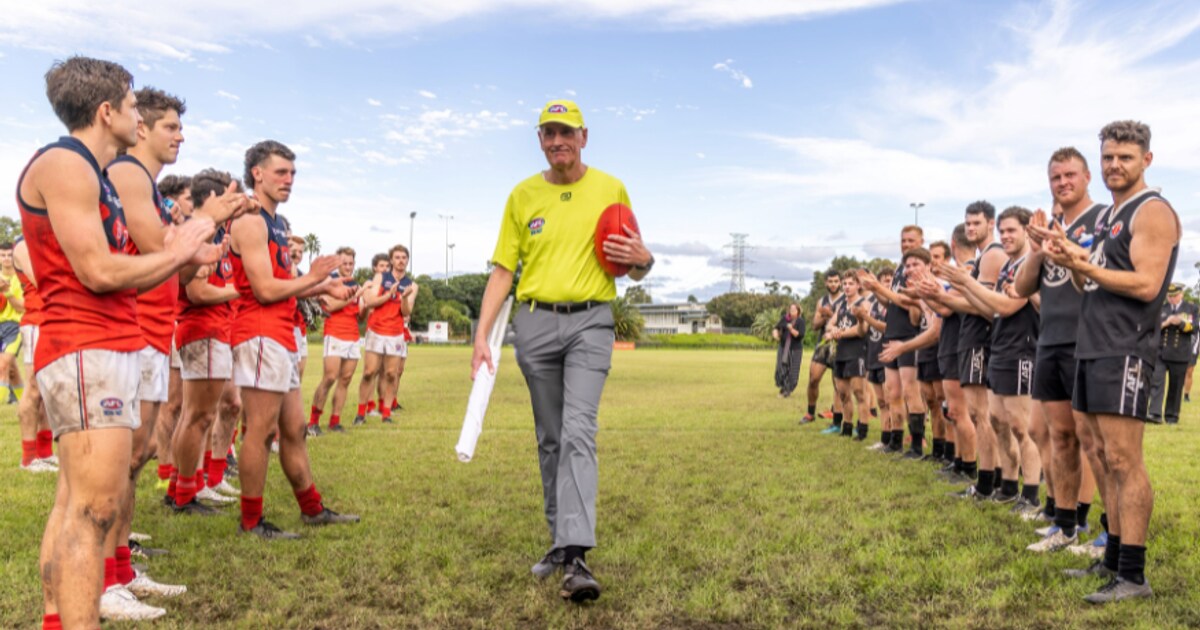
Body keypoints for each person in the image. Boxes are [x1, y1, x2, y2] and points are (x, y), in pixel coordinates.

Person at [22, 56, 221, 629]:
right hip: (84, 345)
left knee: (76, 506)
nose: (139, 118)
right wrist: (179, 251)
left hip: (102, 344)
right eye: (134, 106)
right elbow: (98, 271)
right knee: (94, 508)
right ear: (106, 111)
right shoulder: (64, 162)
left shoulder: (89, 168)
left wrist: (181, 250)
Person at [472, 99, 654, 603]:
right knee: (551, 437)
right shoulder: (522, 195)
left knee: (578, 430)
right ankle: (560, 539)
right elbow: (503, 272)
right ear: (539, 140)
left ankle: (576, 555)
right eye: (548, 134)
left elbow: (631, 262)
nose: (558, 142)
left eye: (566, 133)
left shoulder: (611, 189)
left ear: (584, 136)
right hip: (534, 323)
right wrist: (481, 339)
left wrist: (646, 259)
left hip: (592, 321)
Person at [1043, 120, 1179, 603]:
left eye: (1124, 156)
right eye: (1108, 157)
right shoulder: (1108, 218)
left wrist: (1086, 264)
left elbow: (1145, 284)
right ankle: (1113, 557)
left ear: (1146, 159)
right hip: (1091, 344)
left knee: (1124, 460)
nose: (1114, 165)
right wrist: (1071, 260)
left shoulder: (1153, 210)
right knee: (1099, 455)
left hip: (1125, 348)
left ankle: (1134, 576)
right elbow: (1091, 284)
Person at [230, 140, 358, 539]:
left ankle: (312, 508)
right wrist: (315, 278)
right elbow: (265, 290)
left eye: (292, 174)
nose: (289, 180)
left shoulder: (274, 224)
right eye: (281, 172)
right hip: (259, 333)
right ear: (257, 173)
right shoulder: (250, 222)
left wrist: (324, 291)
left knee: (295, 428)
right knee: (261, 430)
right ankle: (251, 521)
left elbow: (284, 284)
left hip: (281, 334)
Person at [1014, 147, 1106, 554]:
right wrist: (1038, 249)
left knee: (1096, 443)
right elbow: (1021, 289)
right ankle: (1064, 525)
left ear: (1087, 177)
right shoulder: (1052, 226)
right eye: (1056, 177)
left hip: (1087, 340)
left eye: (1071, 175)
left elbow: (1093, 280)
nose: (1064, 182)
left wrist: (1065, 248)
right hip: (1049, 340)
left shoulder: (1101, 220)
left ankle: (1110, 534)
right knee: (1060, 436)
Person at [942, 207, 1043, 511]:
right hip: (1000, 348)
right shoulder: (1007, 267)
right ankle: (1008, 487)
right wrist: (962, 286)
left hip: (1022, 348)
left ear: (1026, 231)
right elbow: (993, 310)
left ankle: (1032, 494)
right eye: (1003, 231)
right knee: (998, 421)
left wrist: (966, 284)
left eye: (1012, 230)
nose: (1006, 236)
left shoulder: (1027, 266)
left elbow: (1010, 307)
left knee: (1022, 427)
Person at [171, 169, 247, 516]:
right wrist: (244, 291)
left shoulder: (219, 234)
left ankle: (204, 481)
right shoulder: (200, 235)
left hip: (220, 331)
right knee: (197, 415)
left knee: (225, 407)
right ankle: (185, 492)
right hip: (202, 330)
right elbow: (197, 291)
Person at [922, 202, 1004, 498]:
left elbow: (986, 305)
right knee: (981, 415)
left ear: (990, 224)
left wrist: (939, 296)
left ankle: (989, 482)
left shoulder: (993, 255)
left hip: (980, 340)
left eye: (976, 223)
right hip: (970, 341)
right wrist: (933, 295)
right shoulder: (983, 257)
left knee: (983, 415)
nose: (971, 229)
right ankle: (991, 480)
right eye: (968, 224)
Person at [858, 226, 927, 455]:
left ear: (921, 241)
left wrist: (879, 287)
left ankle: (917, 444)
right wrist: (874, 289)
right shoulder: (900, 269)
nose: (906, 244)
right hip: (891, 334)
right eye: (903, 240)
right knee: (892, 393)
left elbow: (908, 303)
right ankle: (894, 441)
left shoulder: (918, 271)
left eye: (911, 240)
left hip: (909, 336)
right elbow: (891, 303)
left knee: (910, 391)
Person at [354, 245, 417, 425]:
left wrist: (404, 298)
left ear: (407, 260)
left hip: (395, 334)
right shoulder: (381, 277)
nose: (400, 260)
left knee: (391, 374)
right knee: (369, 372)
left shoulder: (411, 285)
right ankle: (360, 414)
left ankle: (386, 413)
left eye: (404, 257)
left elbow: (406, 312)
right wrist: (389, 295)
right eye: (397, 257)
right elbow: (370, 301)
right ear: (391, 260)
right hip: (376, 330)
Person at [310, 247, 365, 434]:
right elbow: (330, 306)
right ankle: (313, 422)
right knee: (330, 377)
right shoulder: (329, 281)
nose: (348, 267)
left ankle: (335, 420)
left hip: (353, 336)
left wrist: (365, 305)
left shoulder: (356, 283)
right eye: (344, 263)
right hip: (334, 333)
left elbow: (360, 316)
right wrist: (354, 297)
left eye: (351, 263)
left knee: (346, 379)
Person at [13, 237, 56, 473]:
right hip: (36, 323)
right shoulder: (24, 244)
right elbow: (44, 281)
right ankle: (28, 457)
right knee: (33, 388)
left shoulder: (50, 239)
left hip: (52, 321)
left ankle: (44, 451)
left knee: (48, 389)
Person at [1147, 283, 1196, 424]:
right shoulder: (1162, 309)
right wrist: (1166, 323)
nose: (1171, 299)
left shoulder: (1191, 308)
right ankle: (1154, 413)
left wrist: (1180, 323)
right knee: (1156, 381)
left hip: (1179, 353)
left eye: (1174, 296)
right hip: (1161, 351)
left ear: (1181, 294)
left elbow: (1194, 328)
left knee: (1175, 386)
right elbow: (1154, 327)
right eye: (1169, 296)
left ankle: (1171, 416)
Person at [830, 272, 869, 438]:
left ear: (858, 285)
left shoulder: (864, 303)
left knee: (859, 392)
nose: (846, 287)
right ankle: (846, 427)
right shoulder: (841, 305)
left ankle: (863, 429)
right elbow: (831, 324)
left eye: (850, 283)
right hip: (841, 352)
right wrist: (833, 329)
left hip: (857, 352)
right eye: (844, 284)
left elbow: (862, 330)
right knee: (843, 392)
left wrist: (841, 332)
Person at [857, 267, 893, 447]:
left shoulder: (893, 304)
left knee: (891, 400)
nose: (888, 283)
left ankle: (896, 439)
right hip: (873, 355)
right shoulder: (870, 302)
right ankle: (885, 439)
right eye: (884, 280)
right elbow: (863, 331)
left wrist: (867, 318)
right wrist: (860, 319)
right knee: (881, 402)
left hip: (888, 356)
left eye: (890, 280)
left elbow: (885, 327)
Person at [802, 272, 842, 424]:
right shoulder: (822, 301)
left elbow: (846, 321)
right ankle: (810, 413)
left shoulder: (846, 299)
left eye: (836, 281)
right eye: (830, 281)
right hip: (823, 343)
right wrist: (824, 316)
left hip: (840, 343)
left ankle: (837, 416)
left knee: (838, 384)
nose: (833, 284)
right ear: (826, 283)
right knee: (813, 379)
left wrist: (830, 314)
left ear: (840, 282)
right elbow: (815, 325)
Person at [0, 242, 26, 404]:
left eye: (10, 255)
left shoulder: (21, 279)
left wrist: (7, 292)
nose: (7, 258)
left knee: (2, 365)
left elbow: (21, 307)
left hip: (15, 327)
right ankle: (24, 402)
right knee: (12, 371)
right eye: (3, 255)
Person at [773, 304, 804, 398]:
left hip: (795, 349)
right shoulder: (785, 319)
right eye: (791, 309)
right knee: (781, 367)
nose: (792, 311)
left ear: (798, 311)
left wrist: (791, 329)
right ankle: (783, 387)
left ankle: (788, 390)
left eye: (794, 309)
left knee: (792, 370)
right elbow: (776, 327)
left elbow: (799, 335)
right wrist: (775, 334)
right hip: (783, 347)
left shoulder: (800, 321)